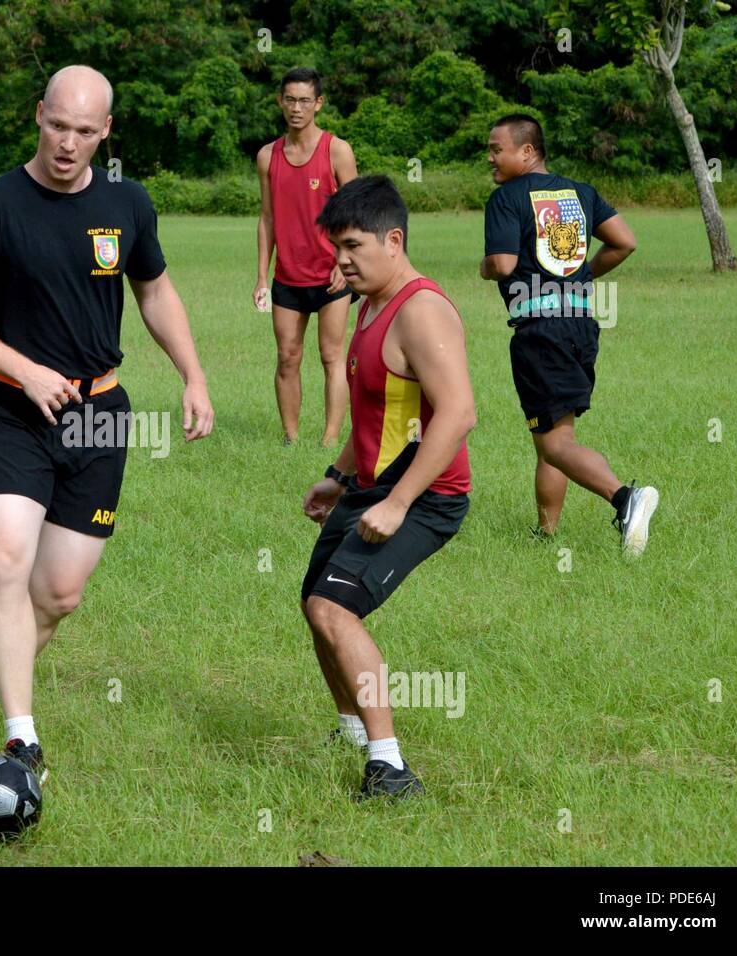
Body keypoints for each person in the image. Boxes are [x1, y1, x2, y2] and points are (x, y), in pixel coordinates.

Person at [0, 65, 214, 777]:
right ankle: (22, 738)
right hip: (9, 410)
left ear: (106, 131)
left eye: (85, 132)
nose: (68, 143)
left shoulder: (128, 203)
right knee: (3, 559)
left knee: (56, 595)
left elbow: (154, 291)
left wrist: (194, 374)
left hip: (101, 415)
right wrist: (23, 370)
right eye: (58, 126)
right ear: (38, 116)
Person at [301, 175, 475, 800]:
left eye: (352, 246)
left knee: (334, 608)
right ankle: (351, 730)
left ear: (393, 239)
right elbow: (382, 413)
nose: (341, 261)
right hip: (371, 488)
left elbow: (457, 414)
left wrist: (400, 504)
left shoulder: (421, 310)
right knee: (314, 605)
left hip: (425, 499)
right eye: (336, 248)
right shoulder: (370, 303)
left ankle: (390, 766)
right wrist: (338, 476)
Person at [481, 114, 658, 554]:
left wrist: (483, 268)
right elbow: (624, 242)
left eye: (495, 149)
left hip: (540, 329)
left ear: (527, 151)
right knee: (553, 434)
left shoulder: (506, 197)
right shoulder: (580, 191)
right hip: (580, 324)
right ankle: (547, 532)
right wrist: (580, 278)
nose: (490, 158)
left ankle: (626, 499)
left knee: (556, 443)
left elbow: (502, 265)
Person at [254, 67, 358, 446]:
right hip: (287, 277)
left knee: (332, 356)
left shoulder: (337, 151)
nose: (296, 108)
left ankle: (330, 438)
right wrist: (262, 277)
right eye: (289, 100)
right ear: (281, 102)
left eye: (304, 100)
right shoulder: (268, 156)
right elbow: (266, 218)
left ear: (318, 103)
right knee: (287, 356)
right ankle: (291, 437)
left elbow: (356, 215)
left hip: (332, 276)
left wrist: (345, 265)